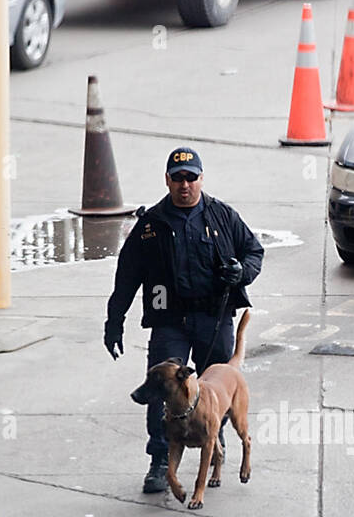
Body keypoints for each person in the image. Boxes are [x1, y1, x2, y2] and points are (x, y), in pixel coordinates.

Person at [103, 146, 264, 493]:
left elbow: (254, 252)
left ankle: (214, 447)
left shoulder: (222, 216)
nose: (185, 184)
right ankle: (160, 460)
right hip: (170, 321)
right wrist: (114, 320)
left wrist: (241, 273)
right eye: (178, 178)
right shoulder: (150, 225)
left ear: (201, 179)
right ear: (167, 180)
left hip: (213, 318)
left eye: (191, 177)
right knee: (162, 389)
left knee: (215, 393)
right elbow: (127, 275)